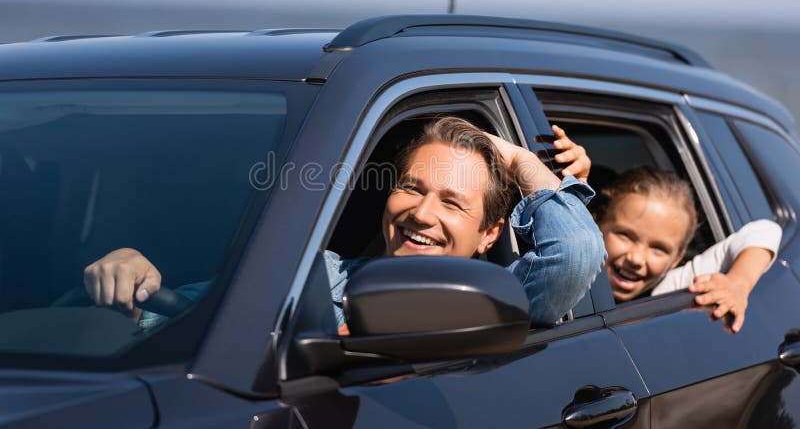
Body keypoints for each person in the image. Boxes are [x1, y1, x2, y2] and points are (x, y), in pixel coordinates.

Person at [84, 117, 607, 330]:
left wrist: (521, 162)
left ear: (491, 232)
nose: (422, 213)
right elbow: (192, 321)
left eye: (453, 203)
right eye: (412, 188)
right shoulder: (317, 273)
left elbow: (575, 256)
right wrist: (135, 280)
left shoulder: (497, 298)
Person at [593, 166, 781, 333]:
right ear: (595, 225)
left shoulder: (671, 288)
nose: (636, 259)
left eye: (659, 249)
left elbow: (765, 230)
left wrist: (738, 283)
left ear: (675, 260)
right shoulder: (568, 269)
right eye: (625, 235)